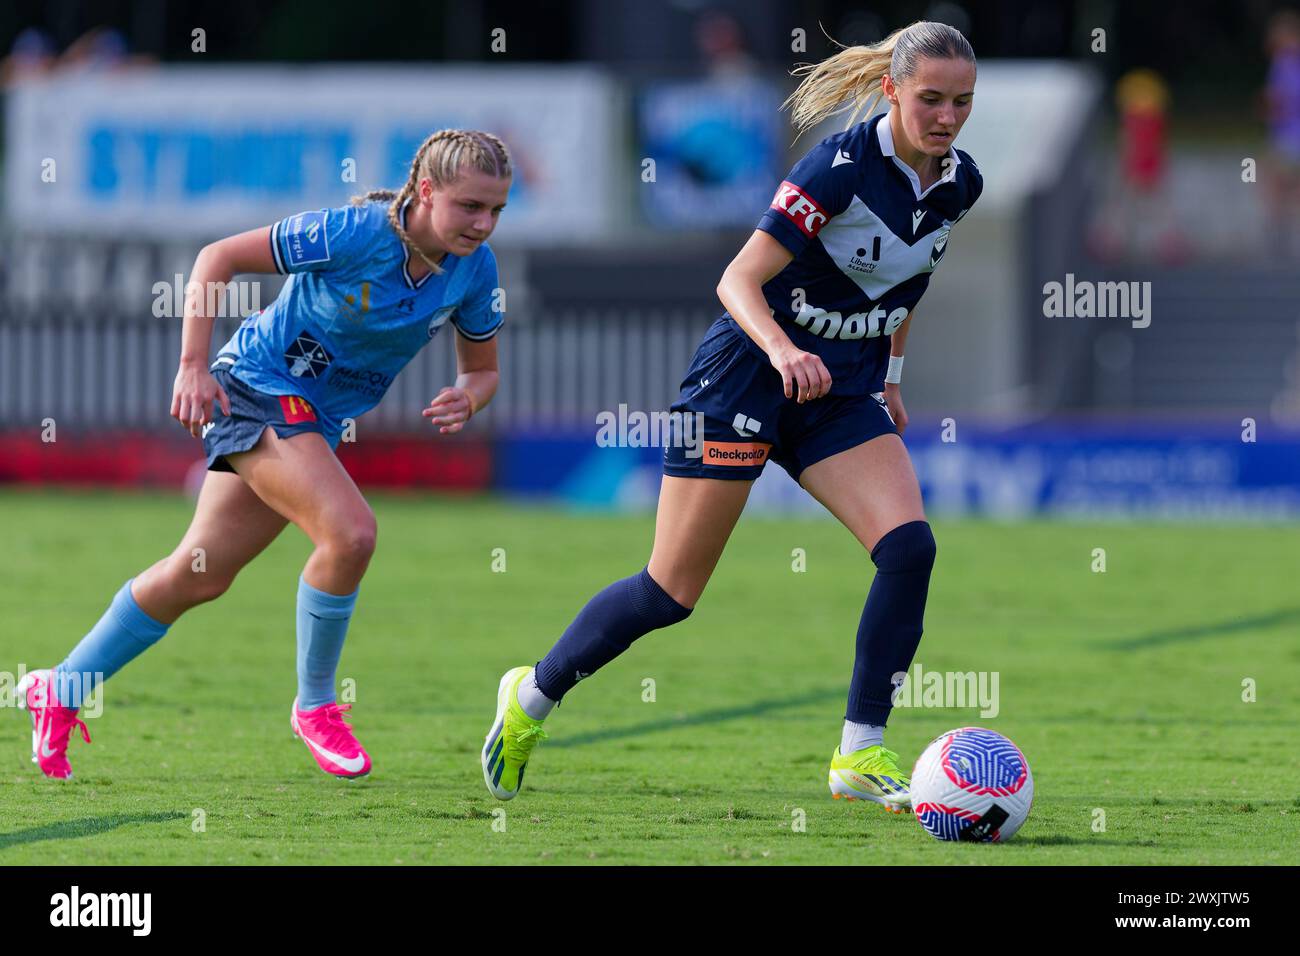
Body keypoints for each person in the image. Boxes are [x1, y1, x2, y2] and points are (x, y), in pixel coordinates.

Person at [482, 21, 982, 813]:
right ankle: (531, 697)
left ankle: (860, 752)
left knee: (909, 548)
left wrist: (889, 375)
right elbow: (738, 281)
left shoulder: (960, 182)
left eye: (961, 101)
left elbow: (904, 285)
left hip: (839, 390)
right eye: (930, 99)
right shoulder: (839, 166)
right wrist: (784, 353)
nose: (947, 116)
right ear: (891, 89)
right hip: (745, 378)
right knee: (669, 593)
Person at [18, 129, 511, 780]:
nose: (484, 224)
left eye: (497, 210)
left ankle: (62, 687)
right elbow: (215, 257)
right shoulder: (353, 233)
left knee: (199, 574)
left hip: (316, 420)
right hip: (257, 388)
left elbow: (483, 369)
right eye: (470, 206)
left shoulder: (477, 270)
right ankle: (316, 707)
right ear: (425, 191)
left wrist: (468, 398)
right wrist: (193, 365)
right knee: (352, 533)